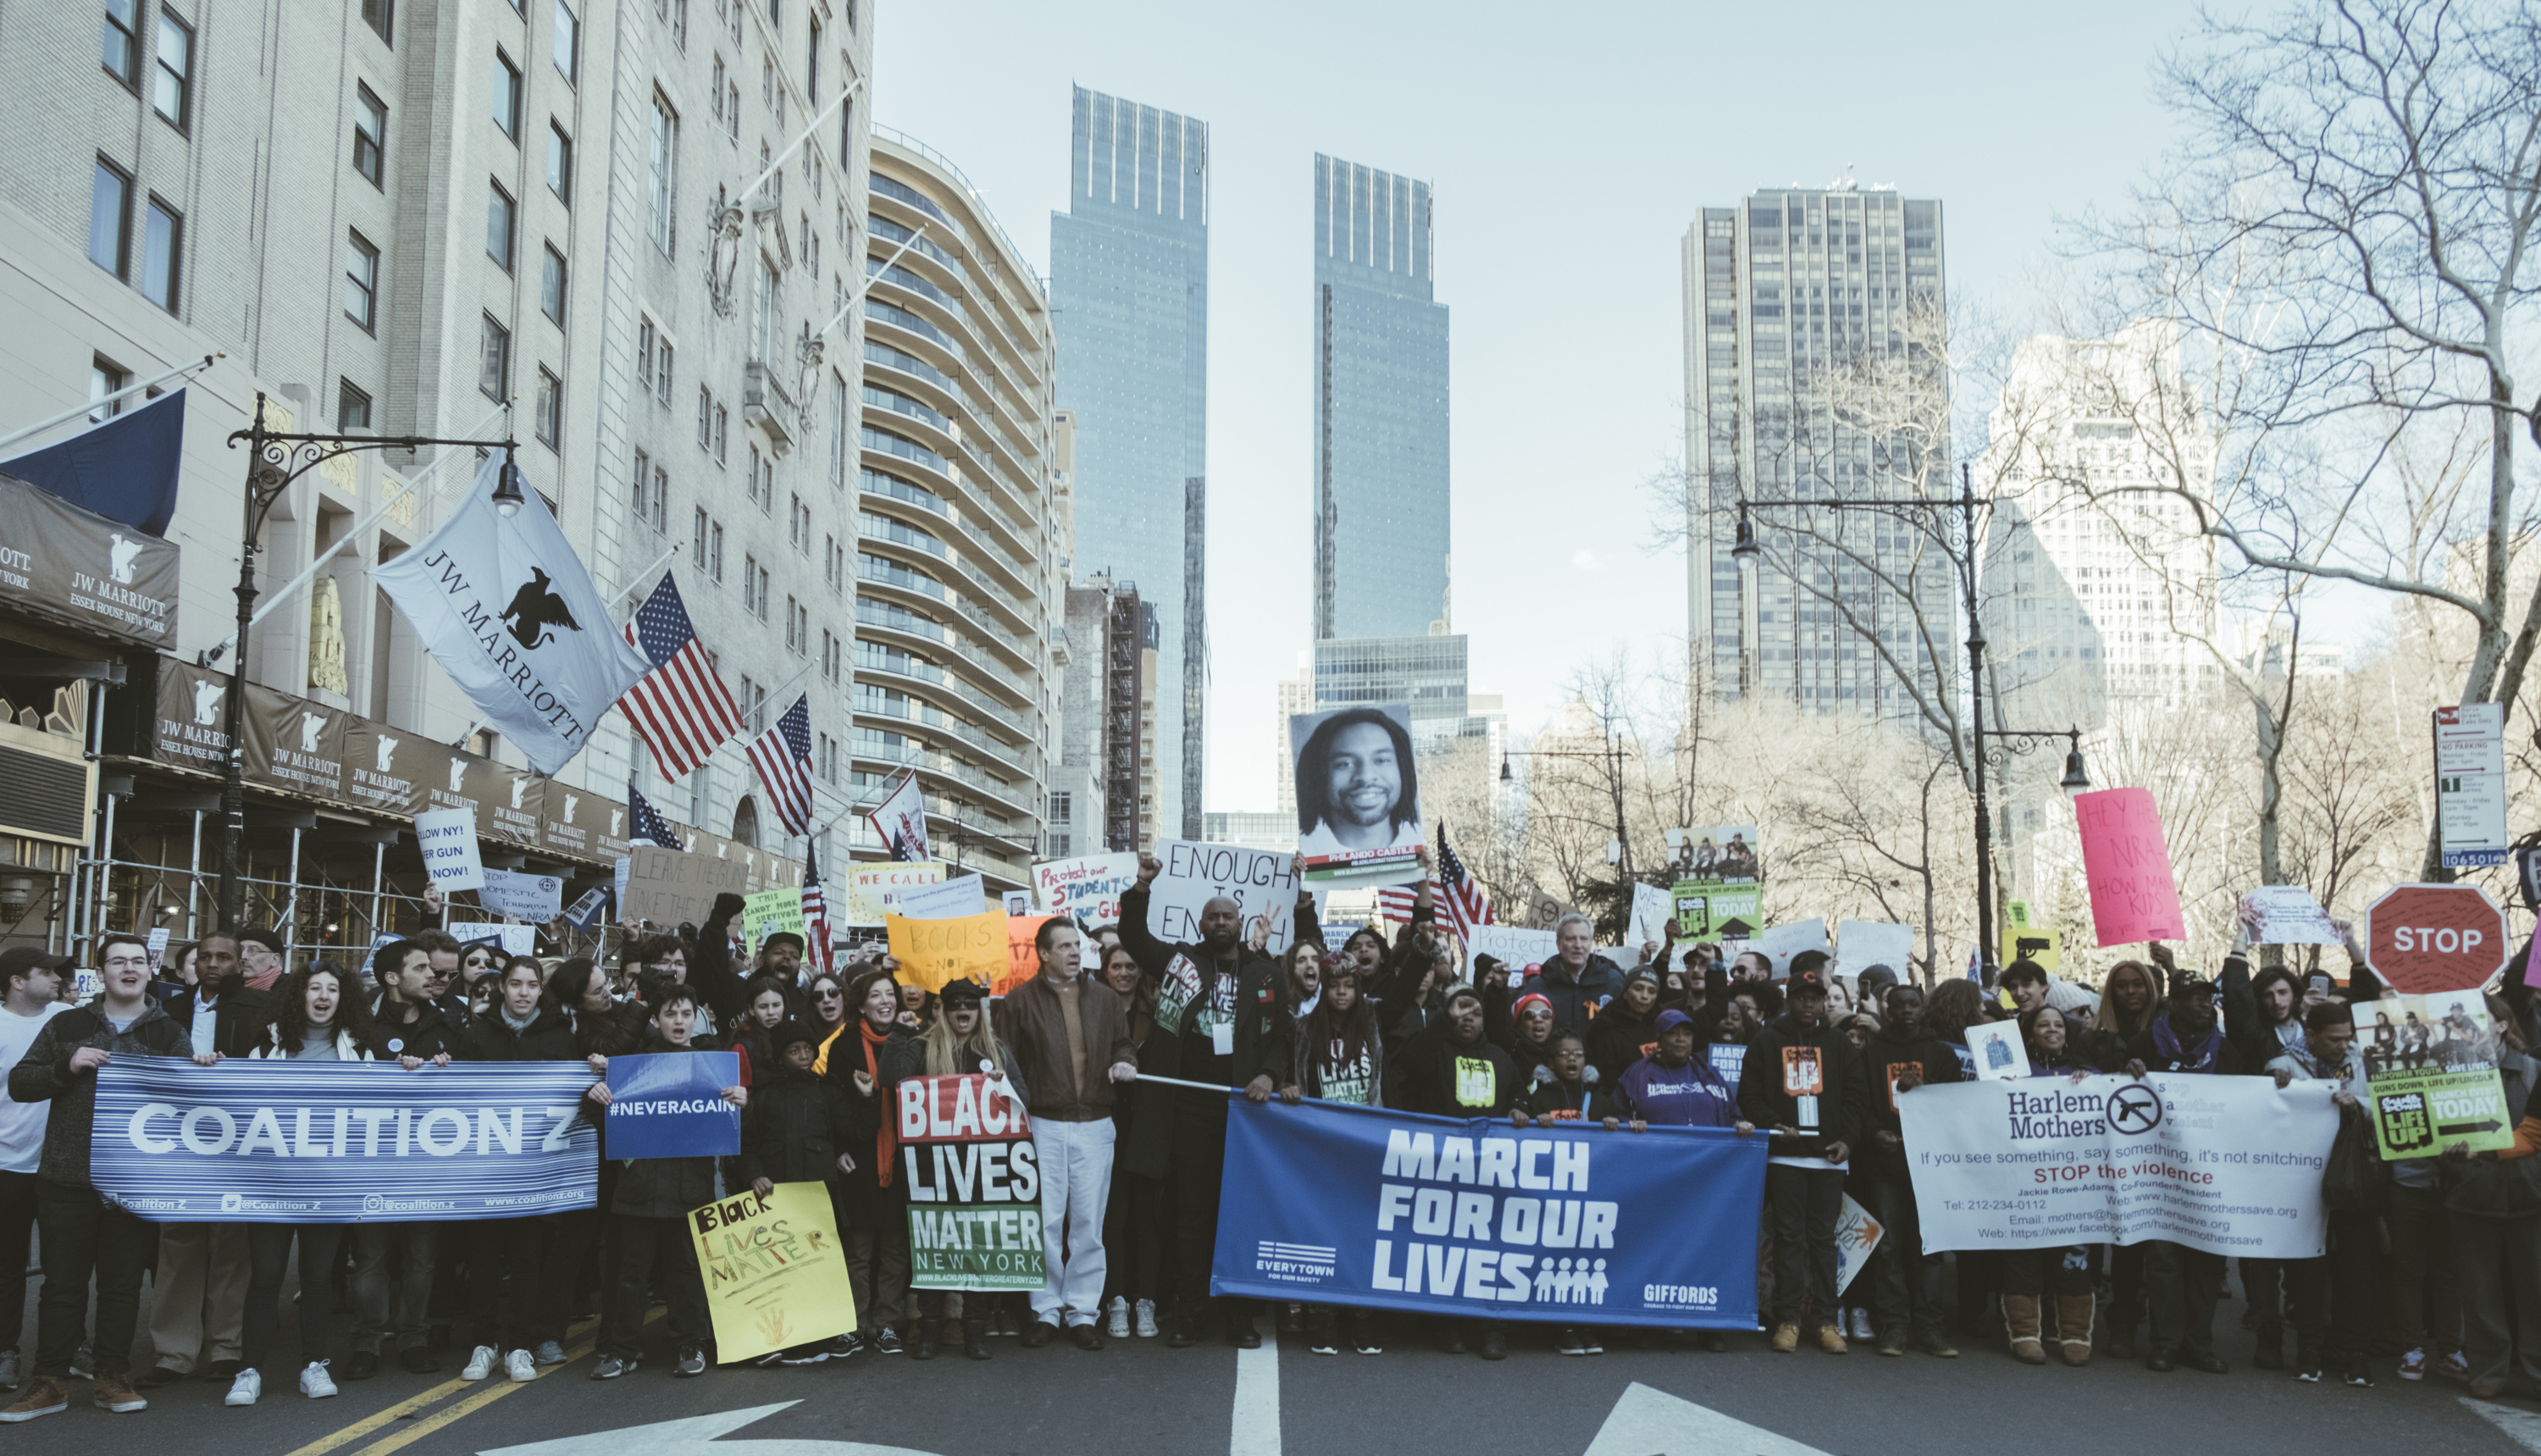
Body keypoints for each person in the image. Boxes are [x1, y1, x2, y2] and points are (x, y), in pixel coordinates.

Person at [0, 932, 194, 1423]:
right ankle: (50, 1382)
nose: (128, 968)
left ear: (150, 972)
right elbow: (22, 1084)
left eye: (137, 961)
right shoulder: (66, 1024)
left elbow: (189, 1108)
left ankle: (112, 1377)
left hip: (132, 1184)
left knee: (122, 1287)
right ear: (101, 973)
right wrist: (67, 1065)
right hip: (66, 1180)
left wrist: (203, 1071)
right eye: (117, 962)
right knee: (61, 1288)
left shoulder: (169, 1032)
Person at [1117, 851, 1293, 1350]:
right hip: (1190, 1113)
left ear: (1240, 923)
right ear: (1202, 923)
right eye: (1212, 916)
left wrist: (1267, 1073)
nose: (1220, 922)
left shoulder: (1266, 975)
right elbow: (1133, 938)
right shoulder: (1182, 963)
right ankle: (1189, 1314)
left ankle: (1240, 1316)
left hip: (1247, 1115)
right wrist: (1141, 888)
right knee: (1191, 1216)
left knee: (1239, 1215)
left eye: (1228, 916)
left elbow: (1283, 1037)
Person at [224, 964, 377, 1406]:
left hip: (327, 1186)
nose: (324, 995)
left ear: (342, 999)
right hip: (271, 1186)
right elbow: (237, 1100)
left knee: (316, 1279)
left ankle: (314, 1364)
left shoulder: (359, 1049)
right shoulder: (267, 1046)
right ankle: (249, 1370)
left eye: (332, 989)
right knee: (266, 1276)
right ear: (299, 997)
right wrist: (210, 1068)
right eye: (315, 988)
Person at [584, 987, 744, 1380]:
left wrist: (742, 1103)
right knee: (631, 1273)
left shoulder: (712, 1067)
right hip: (639, 1188)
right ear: (656, 1020)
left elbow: (733, 1129)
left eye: (686, 1014)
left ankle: (692, 1343)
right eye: (670, 1014)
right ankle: (623, 1349)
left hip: (691, 1187)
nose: (678, 1021)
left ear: (695, 1019)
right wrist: (595, 1096)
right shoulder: (632, 1064)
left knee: (688, 1271)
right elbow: (599, 1118)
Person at [994, 919, 1137, 1352]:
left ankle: (1082, 1312)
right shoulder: (1018, 1003)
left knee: (1089, 1224)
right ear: (1043, 953)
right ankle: (1045, 1310)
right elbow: (1004, 1061)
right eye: (1066, 946)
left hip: (1095, 1122)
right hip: (1042, 1123)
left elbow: (1123, 1044)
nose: (1076, 952)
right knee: (1045, 1221)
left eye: (1079, 945)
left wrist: (1125, 1061)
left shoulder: (1106, 1000)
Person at [143, 927, 265, 1390]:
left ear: (239, 964)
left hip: (236, 1146)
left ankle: (225, 1347)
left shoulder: (259, 1011)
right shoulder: (168, 1011)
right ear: (192, 964)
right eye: (205, 957)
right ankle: (173, 1352)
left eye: (223, 957)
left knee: (230, 1247)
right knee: (177, 1247)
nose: (213, 964)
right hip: (178, 1146)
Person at [453, 957, 579, 1381]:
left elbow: (574, 1094)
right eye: (515, 984)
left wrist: (593, 1071)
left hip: (536, 1172)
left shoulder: (561, 1036)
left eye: (531, 985)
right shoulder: (475, 1034)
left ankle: (520, 1346)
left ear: (541, 990)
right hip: (486, 1169)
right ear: (501, 988)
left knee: (528, 1259)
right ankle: (484, 1343)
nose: (523, 992)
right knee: (483, 1259)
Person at [1737, 958, 1867, 1356]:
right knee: (1788, 1240)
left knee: (1823, 1241)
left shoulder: (1839, 1044)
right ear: (1788, 1000)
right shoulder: (1767, 1040)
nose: (1809, 1004)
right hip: (1786, 1157)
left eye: (1817, 998)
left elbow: (1856, 1096)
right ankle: (1788, 1319)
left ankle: (1827, 1320)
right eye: (1801, 998)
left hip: (1829, 1158)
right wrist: (1775, 1125)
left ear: (1825, 1002)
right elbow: (1750, 1095)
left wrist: (1848, 1139)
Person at [2126, 966, 2249, 1374]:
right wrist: (2129, 1072)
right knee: (2163, 1263)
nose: (2205, 1005)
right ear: (2175, 1004)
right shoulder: (2146, 1045)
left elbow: (2250, 1103)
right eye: (2195, 998)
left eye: (2208, 998)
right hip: (2160, 1175)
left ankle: (2200, 1343)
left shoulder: (2227, 1051)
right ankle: (2165, 1343)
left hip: (2211, 1177)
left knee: (2207, 1264)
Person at [905, 979, 1035, 1359]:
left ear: (980, 1011)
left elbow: (1024, 1100)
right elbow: (898, 1086)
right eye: (955, 1005)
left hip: (983, 1170)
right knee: (934, 1244)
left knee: (978, 1244)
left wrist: (1003, 1088)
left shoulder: (996, 1050)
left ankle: (974, 1330)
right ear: (943, 1012)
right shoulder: (923, 1049)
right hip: (934, 1168)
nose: (963, 1011)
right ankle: (929, 1330)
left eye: (970, 1005)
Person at [1387, 983, 1517, 1359]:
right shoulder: (1434, 1050)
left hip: (1491, 1172)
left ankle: (1493, 1327)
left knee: (1491, 1248)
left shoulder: (1499, 1056)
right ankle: (1446, 1325)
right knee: (1445, 1251)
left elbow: (1519, 1094)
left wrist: (1519, 1107)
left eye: (1475, 1012)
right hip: (1443, 1170)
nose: (1468, 1018)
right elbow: (1410, 1063)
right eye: (1460, 1011)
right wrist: (1444, 1021)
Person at [347, 939, 455, 1378]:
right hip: (374, 1166)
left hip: (428, 1167)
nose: (433, 975)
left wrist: (450, 1069)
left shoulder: (448, 1026)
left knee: (422, 1259)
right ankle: (368, 1341)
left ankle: (414, 1337)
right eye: (421, 968)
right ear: (392, 978)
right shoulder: (360, 1030)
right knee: (371, 1258)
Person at [736, 1021, 864, 1365]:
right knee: (781, 1269)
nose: (804, 1056)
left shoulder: (827, 1091)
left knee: (822, 1266)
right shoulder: (764, 1097)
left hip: (820, 1199)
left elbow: (853, 1128)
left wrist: (865, 1096)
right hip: (778, 1199)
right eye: (795, 1051)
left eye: (809, 1049)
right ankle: (785, 1337)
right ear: (781, 1057)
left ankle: (825, 1332)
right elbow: (746, 1145)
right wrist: (755, 1175)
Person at [2266, 1001, 2376, 1386]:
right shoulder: (2284, 1065)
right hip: (2303, 1185)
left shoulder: (2365, 1062)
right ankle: (2309, 1350)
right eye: (2334, 1039)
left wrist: (2358, 1104)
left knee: (2356, 1269)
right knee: (2309, 1271)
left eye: (2348, 1037)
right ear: (2309, 1036)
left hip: (2354, 1179)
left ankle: (2356, 1354)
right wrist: (2275, 1088)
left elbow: (2387, 1106)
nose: (2344, 1046)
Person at [1863, 983, 1962, 1359]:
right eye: (1899, 1005)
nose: (1906, 1011)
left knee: (1928, 1248)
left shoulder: (1940, 1053)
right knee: (1888, 1247)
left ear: (1923, 1007)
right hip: (1885, 1164)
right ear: (1887, 1009)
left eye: (1913, 1004)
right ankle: (1894, 1325)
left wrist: (1926, 1088)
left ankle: (1930, 1327)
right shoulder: (1872, 1053)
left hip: (1930, 1166)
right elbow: (1862, 1103)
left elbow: (1956, 1105)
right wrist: (1875, 1133)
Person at [1996, 1005, 2098, 1368]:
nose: (2052, 1030)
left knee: (2074, 1260)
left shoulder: (2087, 1075)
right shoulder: (2013, 1074)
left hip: (2074, 1189)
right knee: (2024, 1258)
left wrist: (2093, 1082)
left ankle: (2075, 1334)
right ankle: (2024, 1333)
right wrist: (2000, 1090)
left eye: (2058, 1024)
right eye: (2043, 1024)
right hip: (2025, 1185)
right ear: (2029, 1033)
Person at [0, 949, 75, 1397]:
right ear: (17, 981)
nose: (55, 978)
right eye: (44, 972)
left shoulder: (69, 1017)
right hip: (6, 1164)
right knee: (7, 1266)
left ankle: (72, 1349)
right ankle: (5, 1351)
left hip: (59, 1165)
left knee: (67, 1268)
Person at [831, 966, 916, 1355]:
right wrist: (838, 1150)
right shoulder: (843, 1046)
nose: (885, 1001)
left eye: (890, 994)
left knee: (897, 1248)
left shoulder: (914, 1041)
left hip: (904, 1158)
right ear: (862, 1005)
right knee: (860, 1249)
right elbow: (831, 1105)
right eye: (876, 995)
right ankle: (854, 1322)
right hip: (861, 1158)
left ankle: (886, 1322)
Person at [1097, 943, 1168, 1344]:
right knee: (1113, 1217)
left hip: (1148, 1125)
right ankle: (1117, 1300)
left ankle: (1147, 1300)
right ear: (1105, 971)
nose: (1124, 972)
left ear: (1141, 972)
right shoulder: (1095, 1011)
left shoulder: (1157, 1013)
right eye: (1116, 966)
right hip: (1106, 1123)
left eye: (1131, 966)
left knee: (1148, 1216)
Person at [1293, 706, 1421, 857]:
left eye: (1381, 760)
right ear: (1320, 774)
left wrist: (1423, 878)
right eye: (1345, 764)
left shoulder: (1421, 848)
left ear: (1403, 770)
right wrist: (1299, 878)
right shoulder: (1305, 853)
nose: (1366, 777)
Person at [1589, 964, 1668, 1084]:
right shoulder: (1607, 1032)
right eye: (1638, 989)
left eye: (1651, 991)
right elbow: (1608, 1086)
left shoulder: (1662, 1028)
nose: (1645, 996)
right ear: (1625, 993)